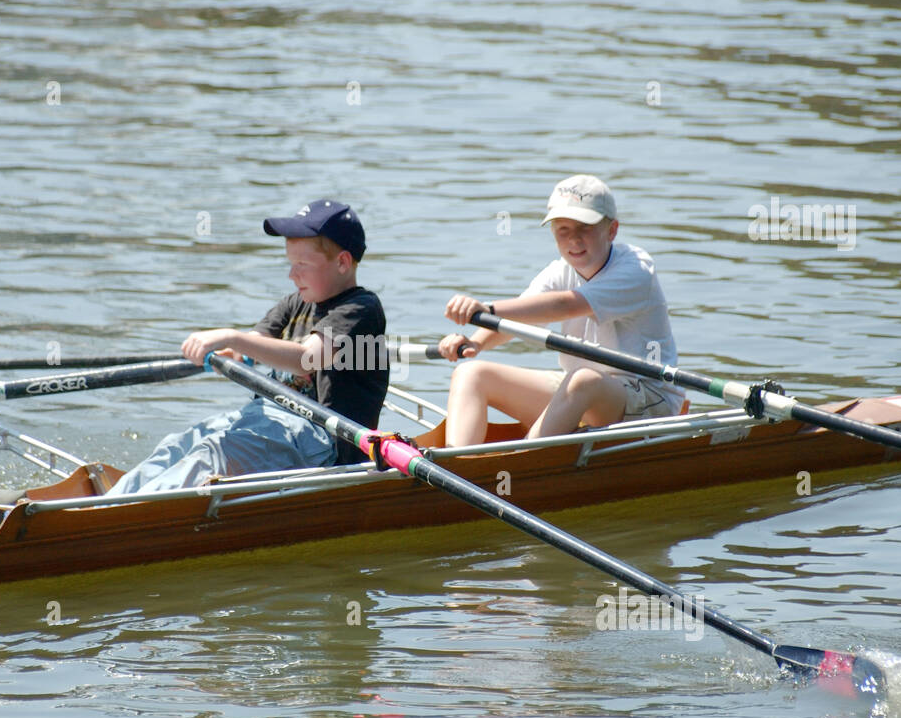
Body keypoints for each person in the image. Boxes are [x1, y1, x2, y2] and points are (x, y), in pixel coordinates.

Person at [109, 199, 389, 495]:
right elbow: (253, 345)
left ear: (343, 263)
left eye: (302, 265)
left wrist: (232, 337)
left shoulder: (361, 309)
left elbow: (307, 359)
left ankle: (117, 519)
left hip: (323, 439)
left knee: (215, 454)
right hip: (270, 418)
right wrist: (234, 354)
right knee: (179, 444)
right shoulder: (298, 301)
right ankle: (103, 506)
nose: (292, 275)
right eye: (291, 264)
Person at [437, 175, 683, 447]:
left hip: (648, 399)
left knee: (583, 380)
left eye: (584, 227)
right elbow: (516, 320)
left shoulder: (636, 268)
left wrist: (488, 308)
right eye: (563, 229)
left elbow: (566, 305)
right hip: (581, 391)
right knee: (472, 374)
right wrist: (474, 342)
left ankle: (522, 466)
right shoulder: (559, 272)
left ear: (612, 230)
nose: (574, 239)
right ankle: (455, 469)